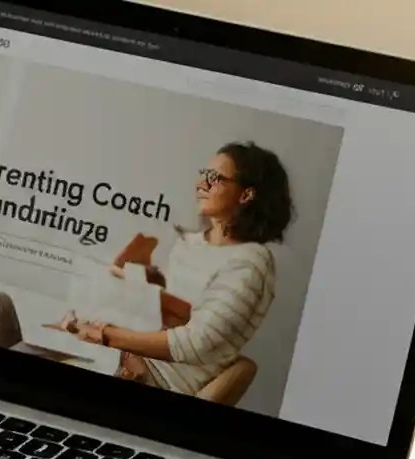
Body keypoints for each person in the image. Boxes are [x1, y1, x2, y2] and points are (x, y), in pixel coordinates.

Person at [66, 141, 294, 396]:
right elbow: (174, 312)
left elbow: (194, 344)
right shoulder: (190, 243)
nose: (201, 185)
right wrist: (140, 281)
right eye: (203, 175)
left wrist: (104, 335)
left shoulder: (251, 262)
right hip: (118, 353)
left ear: (245, 195)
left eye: (214, 178)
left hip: (152, 377)